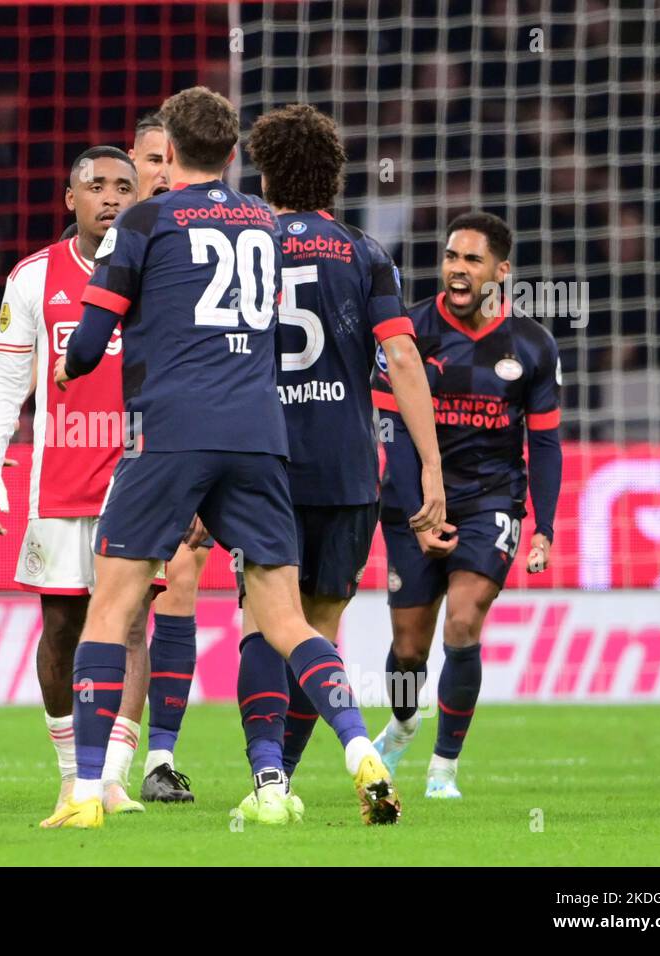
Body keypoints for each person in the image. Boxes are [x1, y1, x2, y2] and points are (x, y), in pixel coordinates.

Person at [44, 87, 400, 829]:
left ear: (167, 153)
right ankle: (359, 745)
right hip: (259, 435)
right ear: (234, 154)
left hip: (171, 433)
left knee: (109, 608)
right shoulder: (268, 225)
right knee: (289, 618)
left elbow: (87, 340)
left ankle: (83, 794)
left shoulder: (146, 220)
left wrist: (71, 368)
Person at [233, 104, 444, 824]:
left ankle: (269, 780)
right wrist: (432, 473)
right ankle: (285, 782)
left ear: (265, 175)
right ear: (334, 177)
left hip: (267, 463)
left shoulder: (248, 248)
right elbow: (405, 357)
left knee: (267, 627)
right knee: (316, 631)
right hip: (353, 467)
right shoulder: (365, 253)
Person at [0, 146, 150, 815]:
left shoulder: (159, 274)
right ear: (69, 198)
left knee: (132, 624)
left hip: (138, 473)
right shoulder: (33, 278)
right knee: (62, 627)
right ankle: (70, 771)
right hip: (59, 479)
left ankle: (111, 778)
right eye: (96, 185)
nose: (110, 197)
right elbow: (5, 383)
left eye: (123, 187)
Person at [372, 212, 562, 799]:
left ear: (501, 271)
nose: (457, 269)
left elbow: (545, 441)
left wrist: (545, 527)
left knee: (463, 618)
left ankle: (443, 769)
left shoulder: (531, 345)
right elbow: (391, 430)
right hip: (412, 498)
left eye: (472, 260)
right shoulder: (408, 334)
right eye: (452, 256)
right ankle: (404, 723)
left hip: (491, 500)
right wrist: (419, 513)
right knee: (408, 645)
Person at [60, 112, 205, 803]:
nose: (155, 175)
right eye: (146, 161)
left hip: (175, 444)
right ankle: (100, 771)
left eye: (162, 161)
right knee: (101, 608)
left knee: (173, 583)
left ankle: (153, 759)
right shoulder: (122, 245)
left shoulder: (187, 244)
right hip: (107, 452)